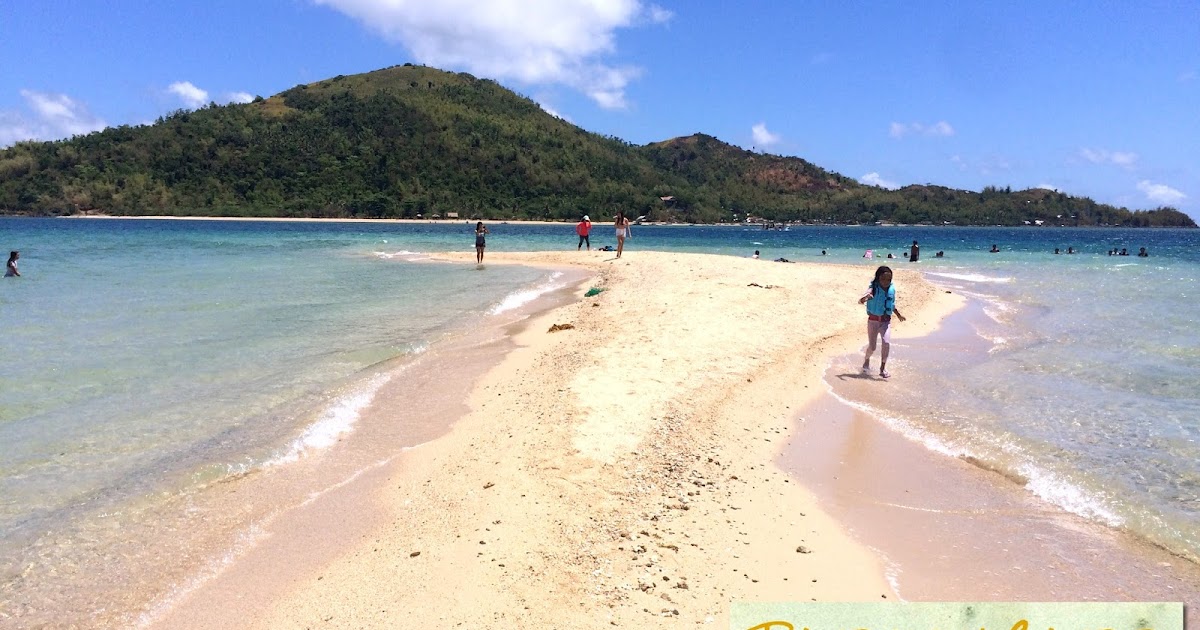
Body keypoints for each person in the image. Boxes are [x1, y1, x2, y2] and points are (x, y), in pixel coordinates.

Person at [858, 265, 906, 379]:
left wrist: (899, 315)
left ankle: (882, 368)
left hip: (885, 322)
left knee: (886, 343)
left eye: (888, 280)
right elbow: (861, 300)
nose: (886, 282)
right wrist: (866, 298)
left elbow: (891, 304)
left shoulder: (891, 290)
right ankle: (866, 360)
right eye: (883, 279)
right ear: (878, 278)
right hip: (873, 322)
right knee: (872, 347)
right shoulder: (873, 289)